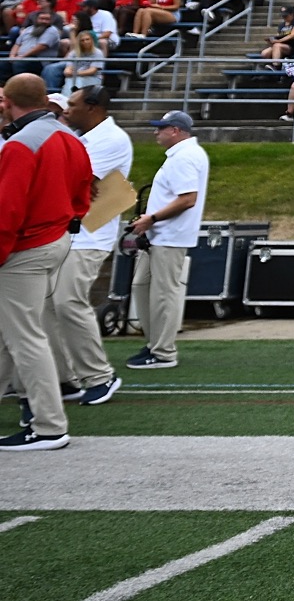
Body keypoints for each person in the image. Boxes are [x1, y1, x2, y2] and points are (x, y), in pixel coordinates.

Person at [0, 75, 94, 449]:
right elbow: (84, 189)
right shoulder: (68, 135)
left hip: (28, 244)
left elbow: (7, 211)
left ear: (7, 100)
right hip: (55, 237)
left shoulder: (22, 144)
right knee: (17, 333)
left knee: (25, 337)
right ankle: (46, 420)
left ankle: (49, 425)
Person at [51, 87, 131, 406]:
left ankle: (100, 376)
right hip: (71, 235)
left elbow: (72, 182)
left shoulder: (110, 139)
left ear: (93, 107)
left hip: (89, 236)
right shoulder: (86, 138)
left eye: (72, 104)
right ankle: (65, 377)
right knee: (50, 307)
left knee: (69, 302)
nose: (67, 110)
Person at [126, 110, 209, 371]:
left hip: (169, 235)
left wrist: (152, 218)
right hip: (160, 233)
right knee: (142, 286)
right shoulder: (182, 155)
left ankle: (163, 351)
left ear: (174, 130)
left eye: (160, 128)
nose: (155, 132)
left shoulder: (184, 157)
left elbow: (187, 199)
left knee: (164, 293)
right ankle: (155, 343)